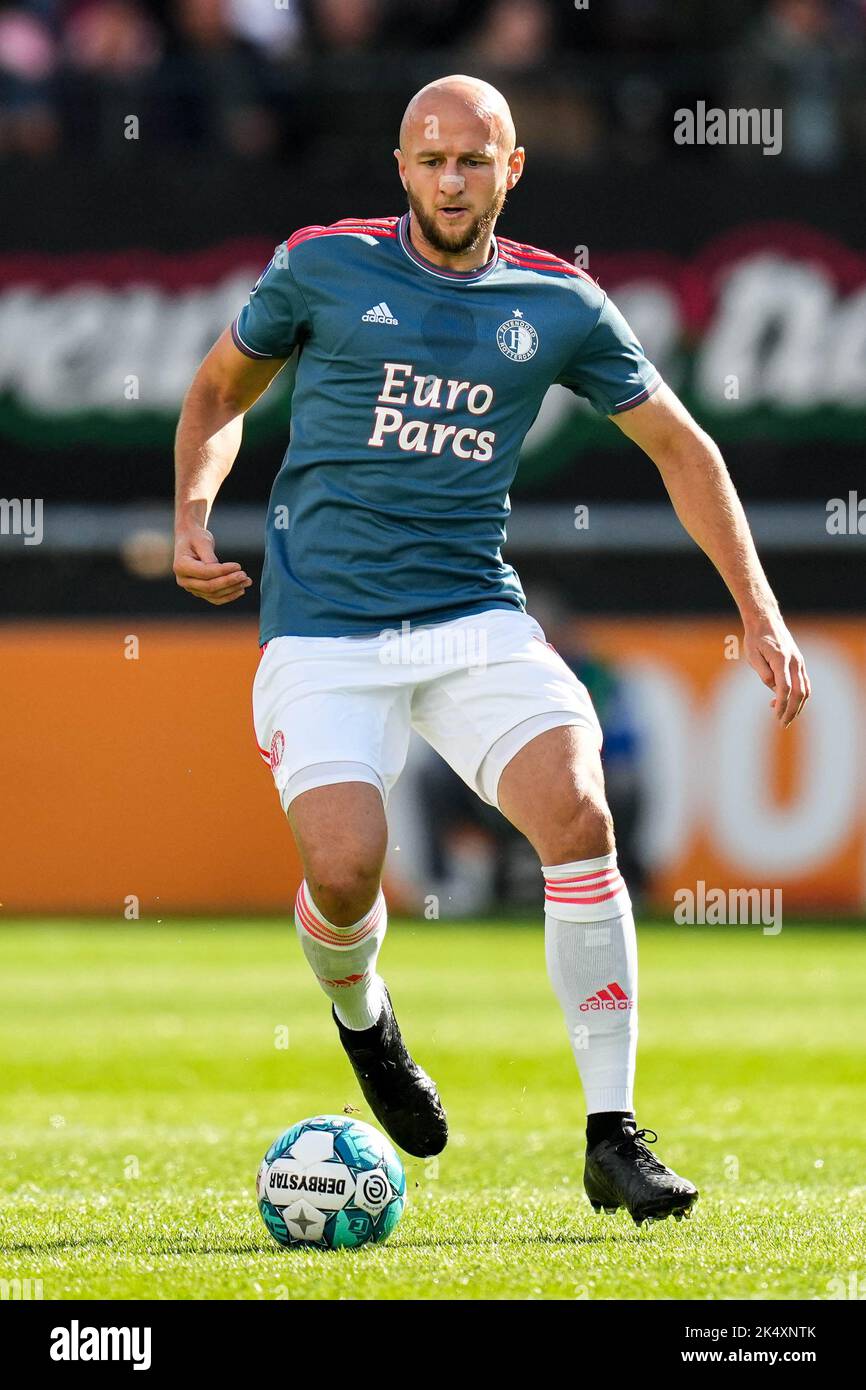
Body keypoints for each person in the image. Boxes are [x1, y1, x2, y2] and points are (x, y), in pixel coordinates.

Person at [173, 74, 810, 1229]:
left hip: (471, 614)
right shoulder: (321, 264)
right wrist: (190, 513)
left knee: (579, 816)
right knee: (344, 870)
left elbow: (682, 450)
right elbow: (221, 386)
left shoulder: (559, 303)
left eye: (472, 160)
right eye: (428, 159)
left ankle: (610, 1131)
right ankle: (363, 1019)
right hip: (321, 626)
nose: (448, 180)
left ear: (510, 169)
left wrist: (757, 611)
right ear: (400, 166)